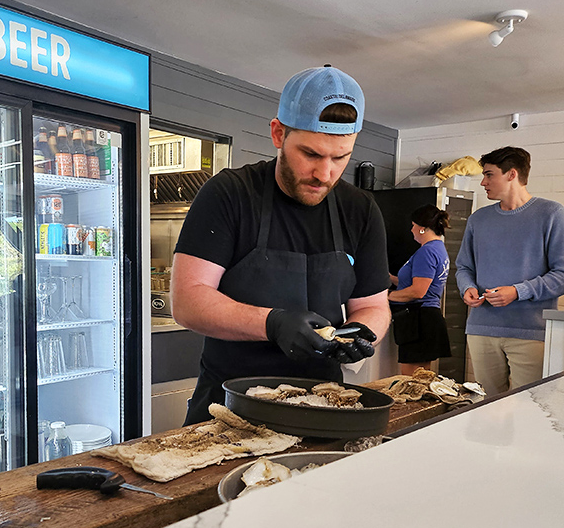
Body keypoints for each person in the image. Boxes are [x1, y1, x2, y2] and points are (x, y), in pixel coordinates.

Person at [170, 64, 391, 424]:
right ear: (278, 133)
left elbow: (373, 305)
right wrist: (273, 323)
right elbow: (188, 300)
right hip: (228, 407)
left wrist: (363, 334)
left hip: (325, 406)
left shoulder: (360, 209)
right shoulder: (230, 194)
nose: (326, 174)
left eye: (340, 158)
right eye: (311, 155)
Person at [455, 146, 564, 397]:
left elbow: (561, 274)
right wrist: (467, 287)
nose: (483, 182)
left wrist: (518, 291)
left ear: (512, 174)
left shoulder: (552, 214)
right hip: (481, 329)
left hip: (530, 333)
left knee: (528, 410)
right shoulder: (478, 220)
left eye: (489, 175)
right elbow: (464, 267)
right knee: (486, 408)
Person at [388, 204, 451, 375]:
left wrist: (386, 297)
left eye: (413, 225)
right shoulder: (438, 249)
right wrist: (389, 278)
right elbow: (415, 282)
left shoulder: (427, 252)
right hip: (427, 319)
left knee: (411, 382)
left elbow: (418, 291)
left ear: (422, 229)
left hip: (419, 321)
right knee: (421, 379)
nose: (411, 229)